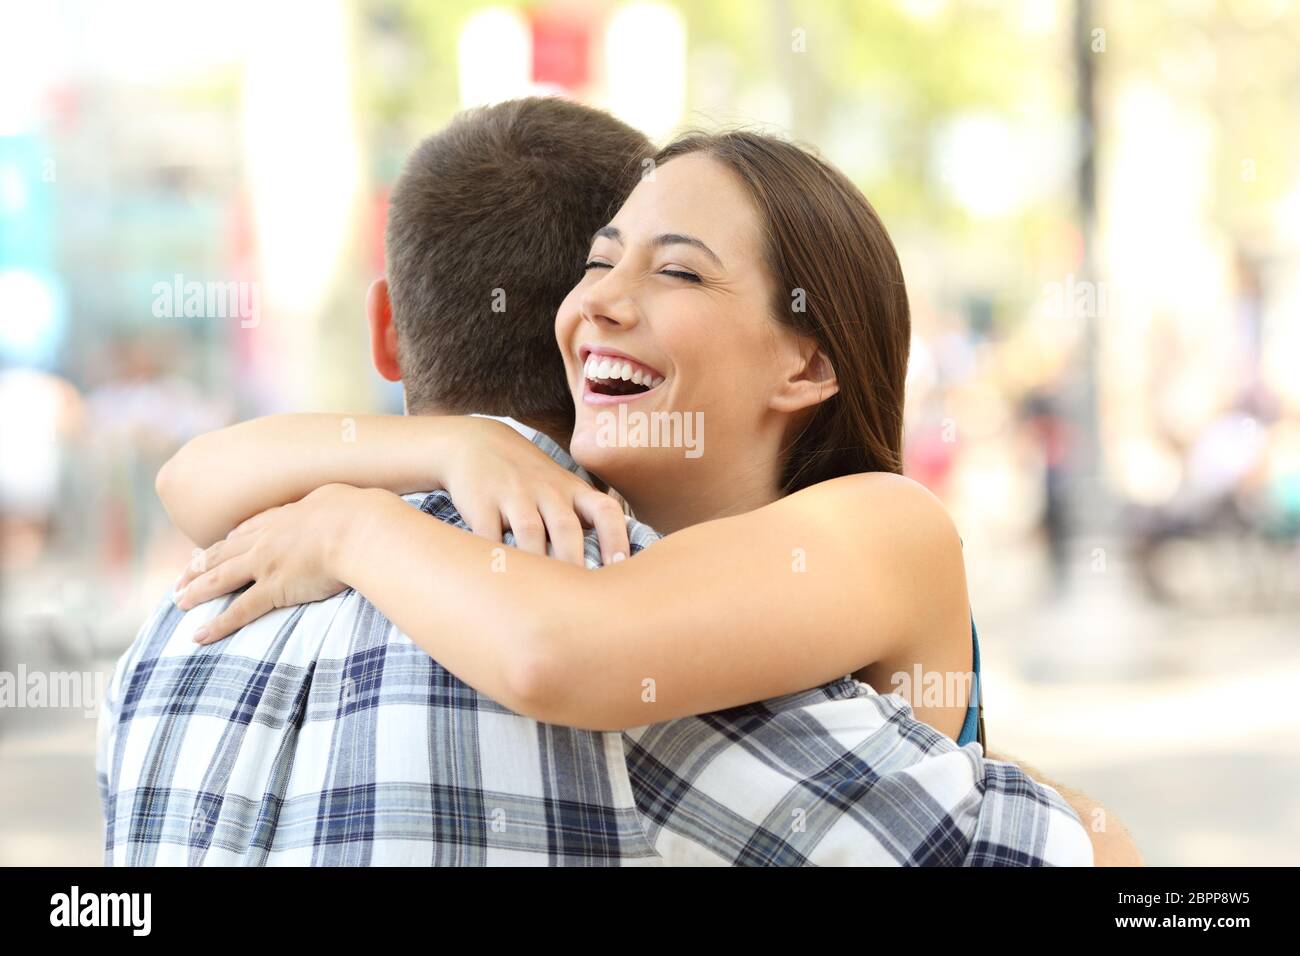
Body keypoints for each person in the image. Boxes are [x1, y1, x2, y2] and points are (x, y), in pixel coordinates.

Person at [101, 100, 1122, 865]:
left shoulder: (878, 520)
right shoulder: (581, 545)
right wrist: (450, 448)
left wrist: (347, 527)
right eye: (599, 262)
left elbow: (562, 647)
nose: (605, 301)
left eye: (676, 272)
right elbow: (195, 476)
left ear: (805, 363)